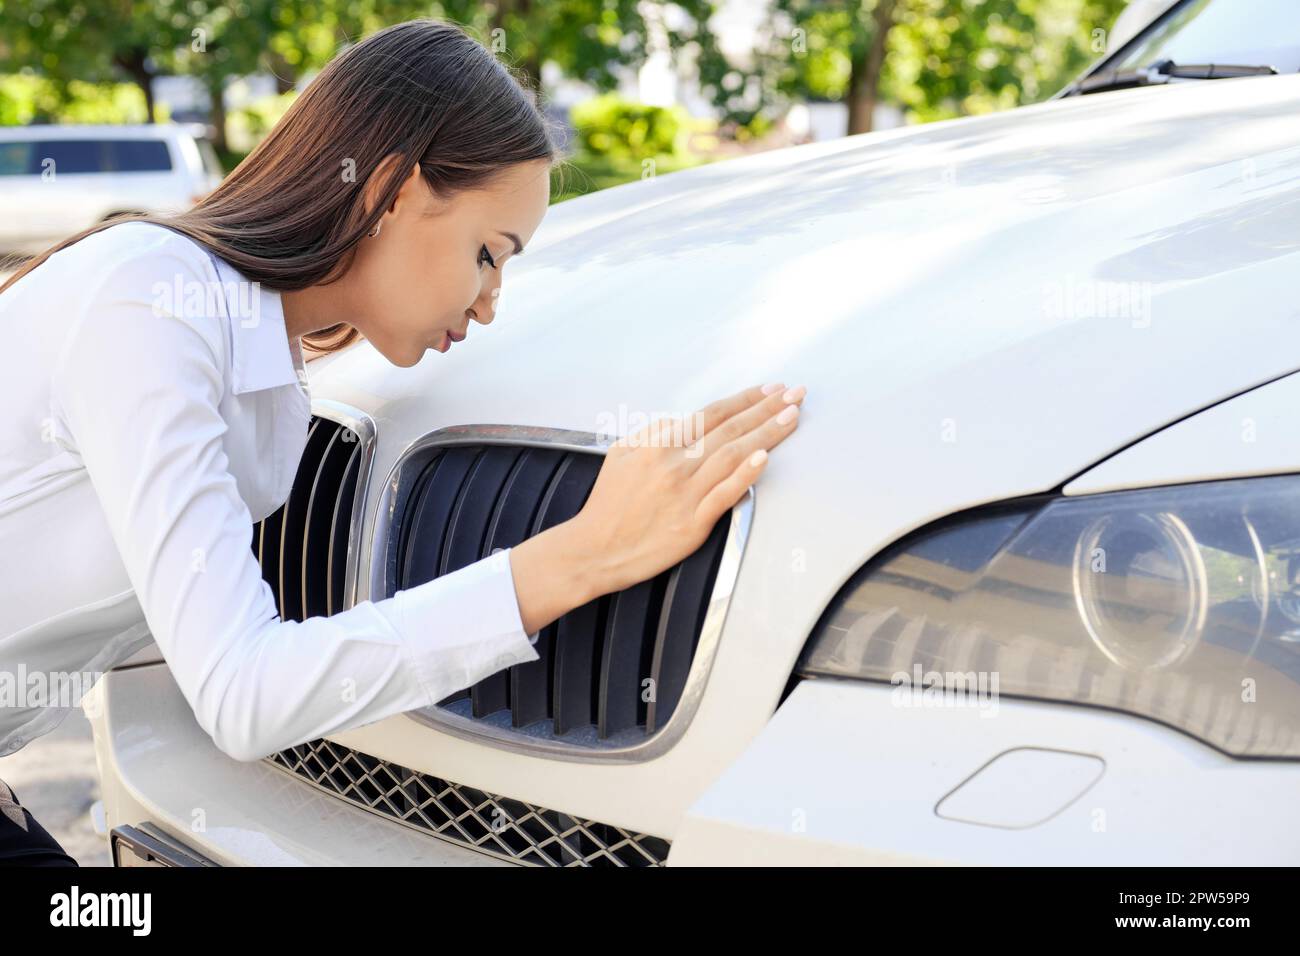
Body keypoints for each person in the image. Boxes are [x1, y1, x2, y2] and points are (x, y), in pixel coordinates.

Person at [0, 18, 806, 865]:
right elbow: (241, 694)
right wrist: (582, 556)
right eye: (490, 254)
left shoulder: (265, 370)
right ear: (392, 191)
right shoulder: (151, 303)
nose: (492, 300)